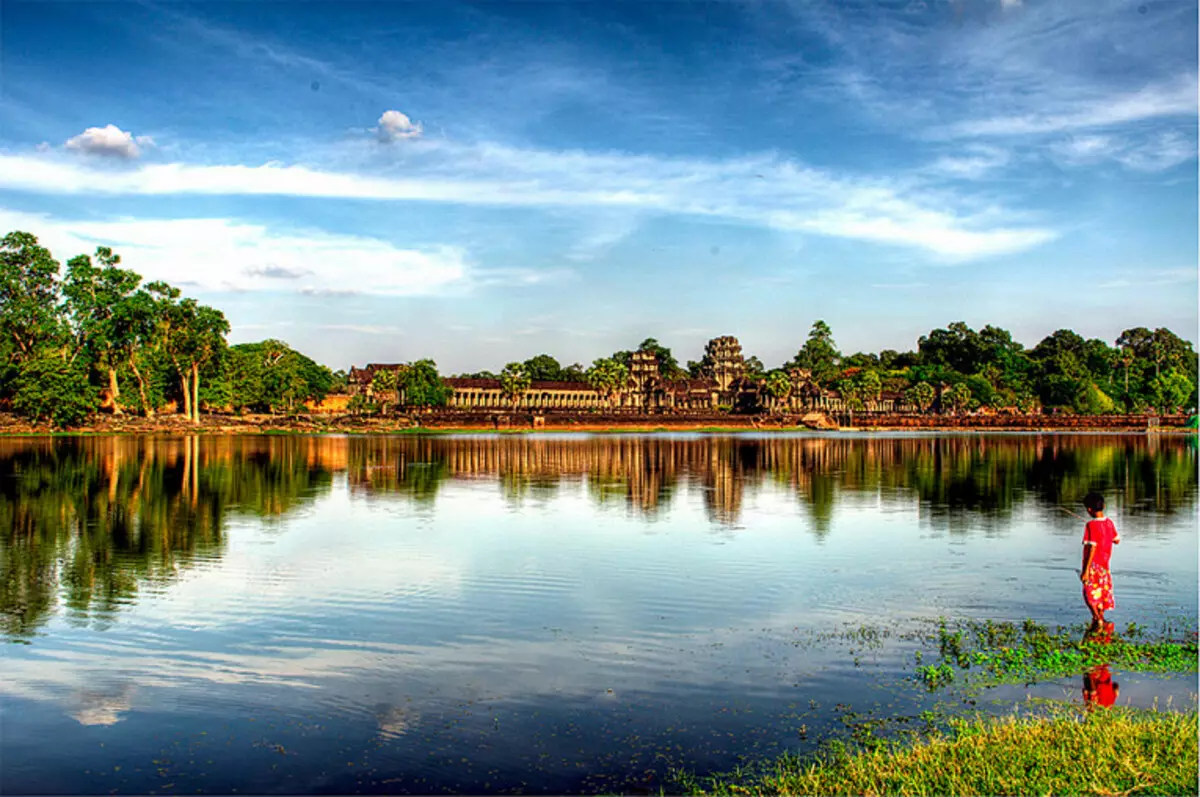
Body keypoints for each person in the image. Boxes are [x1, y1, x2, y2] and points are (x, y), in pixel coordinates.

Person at [1081, 491, 1120, 632]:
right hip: (1104, 566)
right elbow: (1117, 540)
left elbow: (1092, 548)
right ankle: (1101, 618)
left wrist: (1085, 570)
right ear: (1103, 506)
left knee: (1089, 592)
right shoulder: (1109, 523)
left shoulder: (1091, 525)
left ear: (1089, 509)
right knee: (1101, 591)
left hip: (1093, 565)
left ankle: (1097, 618)